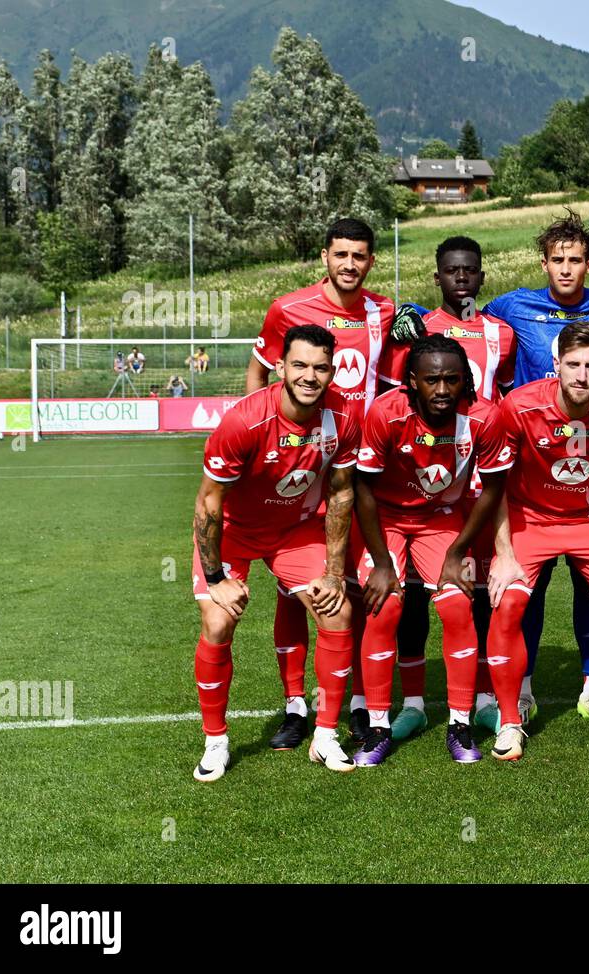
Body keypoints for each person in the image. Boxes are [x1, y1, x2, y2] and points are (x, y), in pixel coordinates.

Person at [246, 217, 421, 751]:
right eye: (341, 254)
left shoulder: (385, 313)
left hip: (359, 470)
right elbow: (258, 376)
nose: (350, 264)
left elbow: (395, 384)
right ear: (325, 256)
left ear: (371, 261)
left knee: (358, 585)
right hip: (301, 469)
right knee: (294, 590)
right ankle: (297, 704)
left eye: (360, 256)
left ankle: (364, 704)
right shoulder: (288, 309)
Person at [189, 324, 360, 781]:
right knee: (218, 620)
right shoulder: (244, 421)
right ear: (280, 367)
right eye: (300, 365)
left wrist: (334, 571)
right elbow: (209, 504)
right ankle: (216, 741)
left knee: (337, 612)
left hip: (295, 529)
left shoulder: (344, 418)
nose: (310, 376)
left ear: (332, 372)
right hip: (234, 532)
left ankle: (325, 737)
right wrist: (215, 576)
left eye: (320, 368)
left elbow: (342, 494)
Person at [482, 209, 589, 723]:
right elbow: (467, 324)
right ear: (543, 263)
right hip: (534, 464)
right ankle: (521, 687)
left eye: (576, 260)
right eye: (557, 260)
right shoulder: (511, 305)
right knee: (530, 586)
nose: (566, 269)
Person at [485, 320, 589, 759]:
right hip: (528, 520)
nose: (581, 375)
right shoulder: (518, 406)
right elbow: (494, 483)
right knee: (508, 600)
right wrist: (502, 554)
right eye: (572, 365)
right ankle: (510, 720)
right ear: (555, 364)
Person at [353, 335, 512, 765]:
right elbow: (362, 488)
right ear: (411, 382)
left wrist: (456, 551)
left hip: (440, 518)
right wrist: (383, 563)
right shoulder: (385, 413)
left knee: (458, 606)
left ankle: (460, 723)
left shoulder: (483, 417)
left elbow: (494, 486)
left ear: (465, 381)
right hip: (384, 516)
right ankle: (379, 725)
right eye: (432, 380)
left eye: (451, 380)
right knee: (384, 605)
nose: (442, 390)